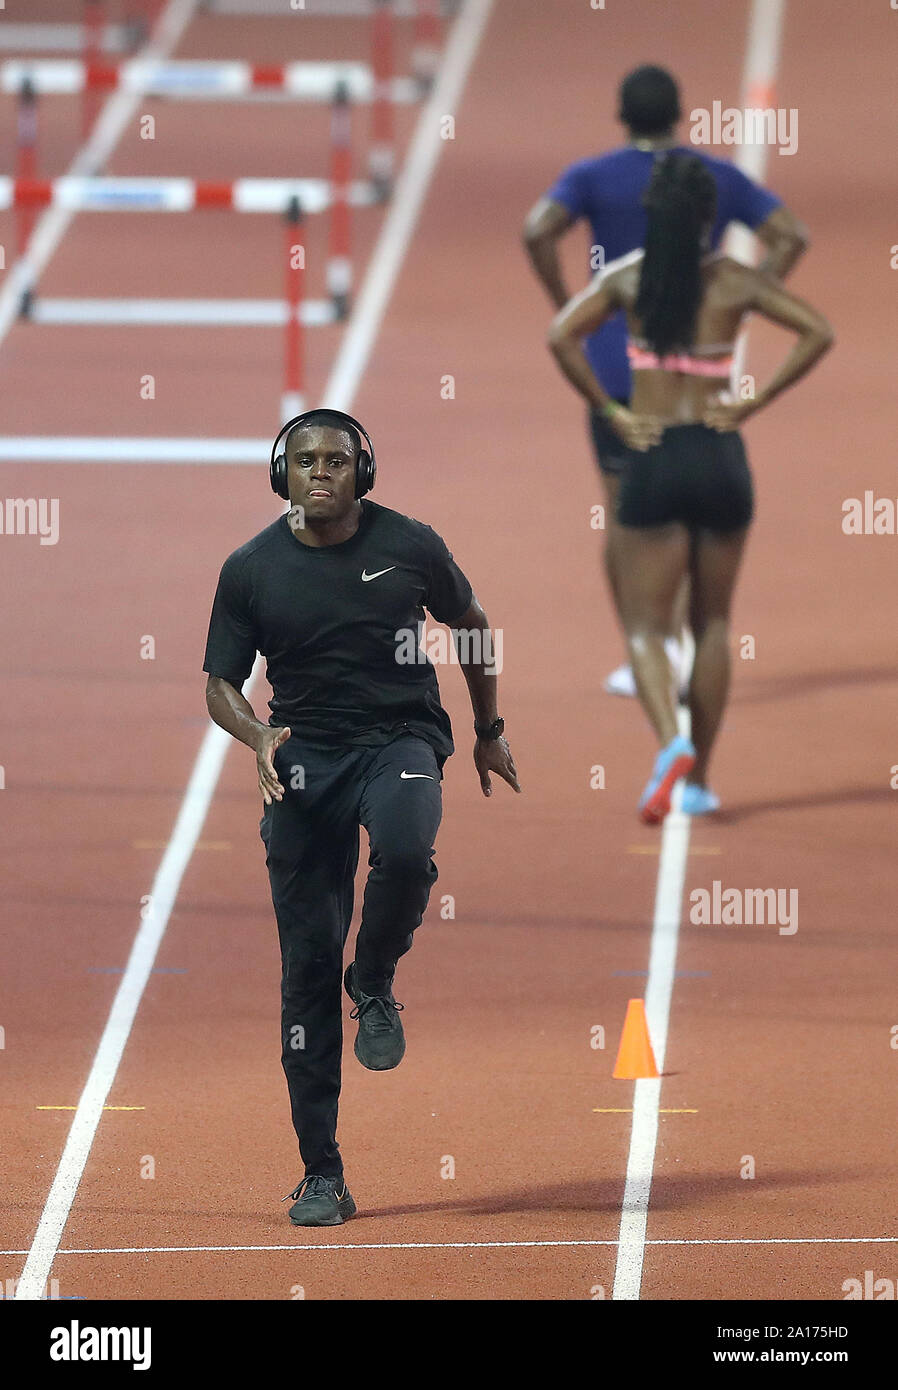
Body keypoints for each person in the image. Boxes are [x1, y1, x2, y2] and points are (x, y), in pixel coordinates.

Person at [203, 409, 520, 1226]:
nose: (319, 473)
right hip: (304, 757)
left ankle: (374, 977)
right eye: (303, 461)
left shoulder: (410, 546)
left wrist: (488, 730)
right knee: (305, 970)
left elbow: (473, 626)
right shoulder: (250, 570)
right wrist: (259, 734)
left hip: (399, 739)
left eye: (335, 461)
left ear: (362, 473)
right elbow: (220, 685)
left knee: (408, 852)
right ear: (282, 476)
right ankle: (322, 1173)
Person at [547, 153, 832, 822]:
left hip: (652, 456)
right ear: (710, 216)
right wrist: (753, 401)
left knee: (646, 629)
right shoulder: (734, 280)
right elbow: (819, 331)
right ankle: (699, 779)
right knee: (714, 623)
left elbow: (560, 336)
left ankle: (669, 741)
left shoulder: (625, 279)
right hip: (719, 453)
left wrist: (612, 410)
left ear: (651, 214)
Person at [523, 64, 808, 699]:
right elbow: (790, 234)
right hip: (696, 379)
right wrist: (748, 299)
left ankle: (640, 647)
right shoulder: (714, 176)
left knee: (628, 517)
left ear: (622, 116)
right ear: (680, 113)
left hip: (617, 370)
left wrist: (566, 299)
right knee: (697, 523)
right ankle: (679, 648)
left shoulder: (592, 176)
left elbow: (537, 229)